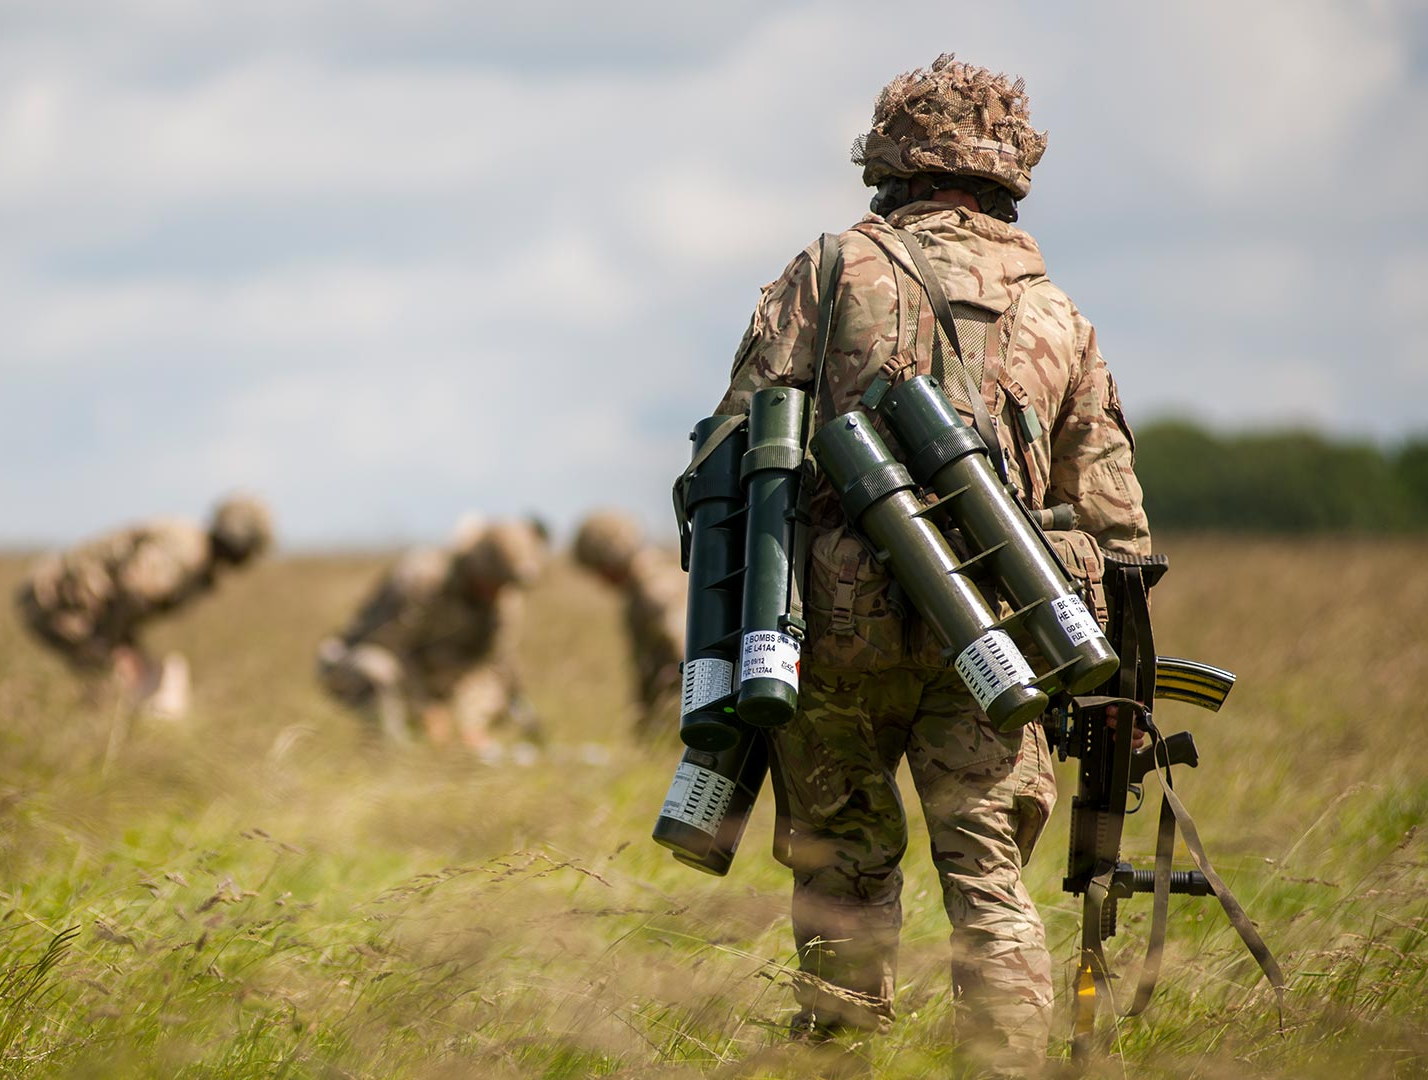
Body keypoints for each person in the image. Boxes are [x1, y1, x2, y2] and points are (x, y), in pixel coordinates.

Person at [713, 55, 1148, 1075]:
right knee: (989, 882)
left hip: (836, 625)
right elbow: (1116, 524)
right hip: (1005, 630)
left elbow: (739, 446)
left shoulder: (829, 271)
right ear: (1010, 172)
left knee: (842, 874)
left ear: (891, 163)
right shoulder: (1059, 314)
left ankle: (836, 1062)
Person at [16, 494, 273, 717]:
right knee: (118, 687)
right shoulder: (187, 551)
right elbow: (134, 591)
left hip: (79, 608)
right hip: (59, 603)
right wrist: (117, 647)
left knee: (125, 684)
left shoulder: (195, 554)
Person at [316, 517, 547, 762]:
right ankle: (392, 761)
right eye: (494, 581)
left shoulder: (502, 601)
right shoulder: (423, 577)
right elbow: (389, 647)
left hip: (437, 679)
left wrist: (469, 724)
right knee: (379, 671)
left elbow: (492, 665)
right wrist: (428, 709)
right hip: (363, 663)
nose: (497, 591)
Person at [569, 510, 686, 741]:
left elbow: (683, 652)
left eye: (598, 569)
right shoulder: (648, 584)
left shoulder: (655, 591)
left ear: (609, 561)